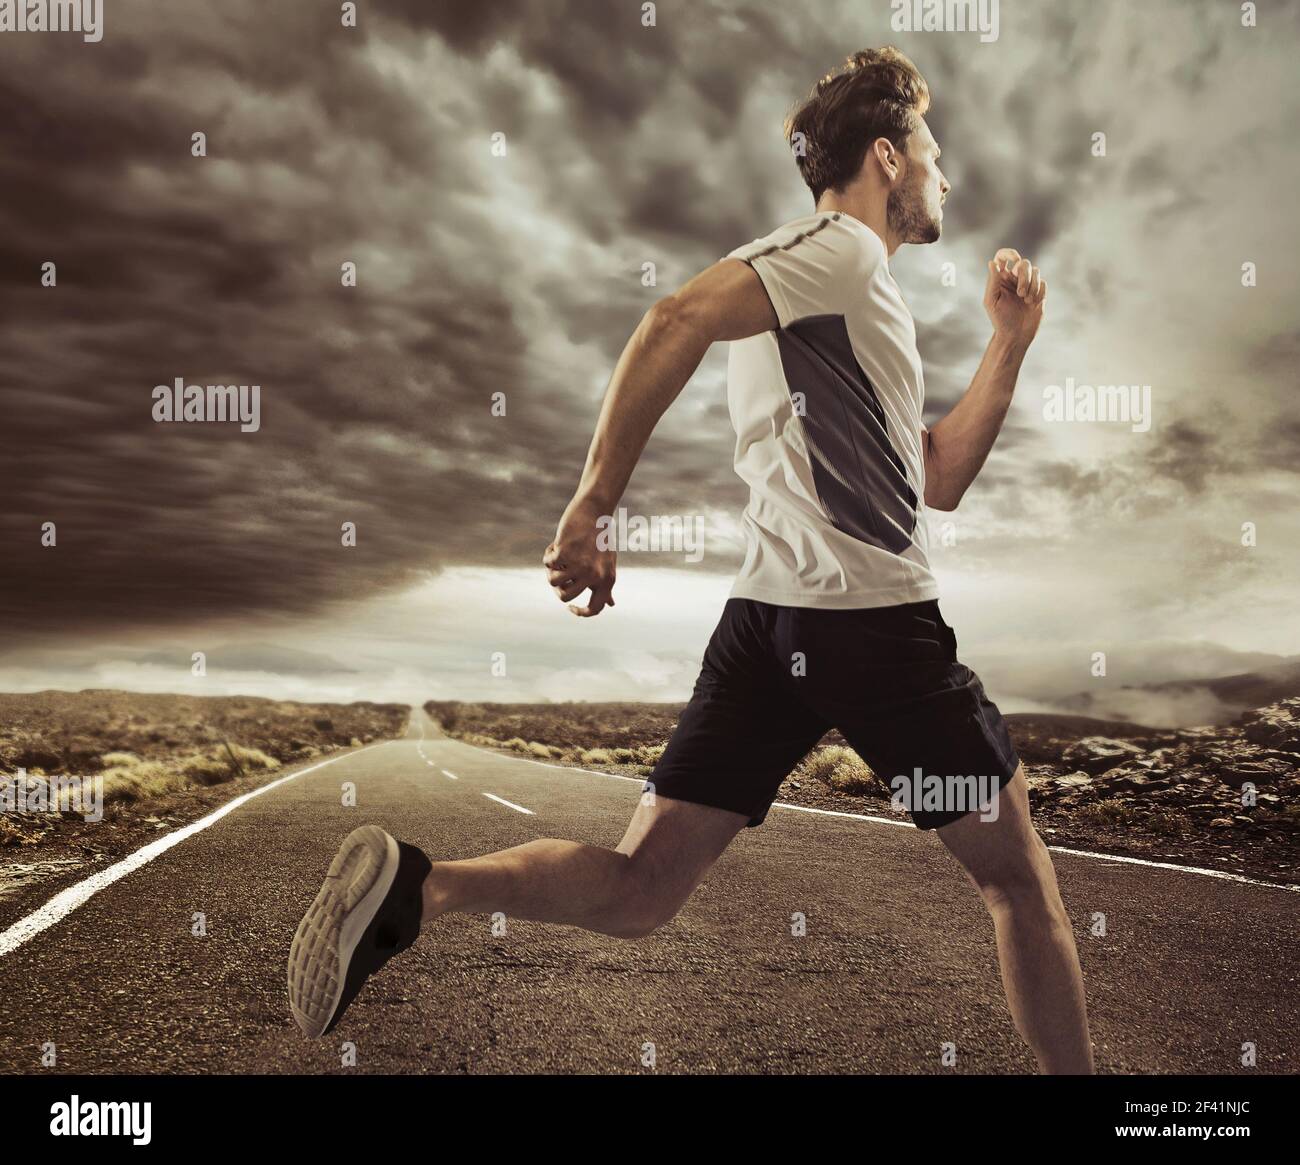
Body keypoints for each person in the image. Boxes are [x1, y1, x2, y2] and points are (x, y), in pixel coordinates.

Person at [289, 46, 1093, 1074]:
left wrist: (1008, 345)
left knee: (641, 888)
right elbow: (674, 317)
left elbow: (936, 478)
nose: (947, 175)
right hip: (874, 625)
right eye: (933, 153)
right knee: (1016, 879)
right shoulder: (835, 251)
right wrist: (595, 500)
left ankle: (419, 886)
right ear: (887, 158)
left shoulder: (849, 292)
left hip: (769, 628)